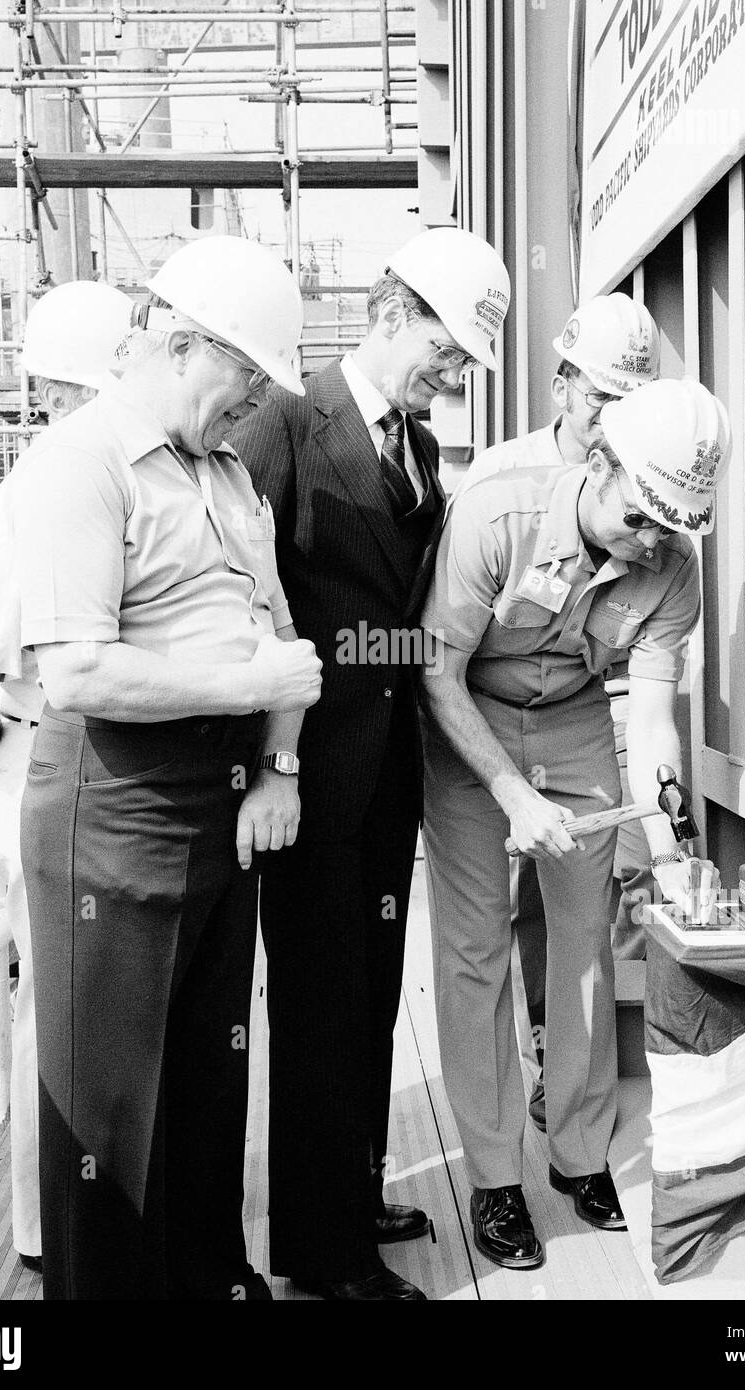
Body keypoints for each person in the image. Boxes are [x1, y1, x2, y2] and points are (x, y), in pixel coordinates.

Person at [10, 235, 323, 1300]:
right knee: (105, 1118)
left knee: (204, 1081)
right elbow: (79, 671)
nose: (252, 403)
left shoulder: (228, 476)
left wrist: (278, 766)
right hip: (113, 811)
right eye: (244, 376)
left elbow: (284, 639)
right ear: (185, 343)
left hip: (223, 810)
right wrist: (249, 691)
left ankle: (207, 1282)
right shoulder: (82, 463)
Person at [229, 227, 510, 1300]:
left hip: (385, 778)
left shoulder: (420, 451)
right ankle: (323, 1255)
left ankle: (349, 1193)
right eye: (447, 345)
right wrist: (267, 763)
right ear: (392, 314)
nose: (457, 372)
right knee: (315, 1014)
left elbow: (389, 618)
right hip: (304, 776)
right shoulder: (286, 426)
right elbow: (239, 594)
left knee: (367, 999)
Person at [419, 377, 729, 1270]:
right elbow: (438, 673)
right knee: (475, 949)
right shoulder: (493, 515)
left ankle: (580, 1155)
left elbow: (654, 714)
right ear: (599, 464)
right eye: (638, 519)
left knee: (585, 939)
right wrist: (515, 794)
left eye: (669, 530)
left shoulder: (673, 563)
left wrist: (670, 842)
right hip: (469, 718)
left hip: (577, 720)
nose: (648, 546)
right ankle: (492, 1177)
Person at [0, 278, 133, 1270]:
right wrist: (4, 759)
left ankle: (80, 1220)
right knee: (48, 1015)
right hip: (38, 759)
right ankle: (48, 1230)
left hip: (62, 761)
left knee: (75, 1009)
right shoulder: (27, 509)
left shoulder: (80, 484)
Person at [453, 293, 662, 1131]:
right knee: (486, 925)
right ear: (562, 385)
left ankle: (564, 1095)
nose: (613, 416)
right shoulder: (501, 482)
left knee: (576, 920)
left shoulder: (650, 505)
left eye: (629, 402)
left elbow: (651, 696)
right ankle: (495, 1139)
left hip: (577, 712)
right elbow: (446, 646)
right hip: (485, 713)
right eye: (601, 395)